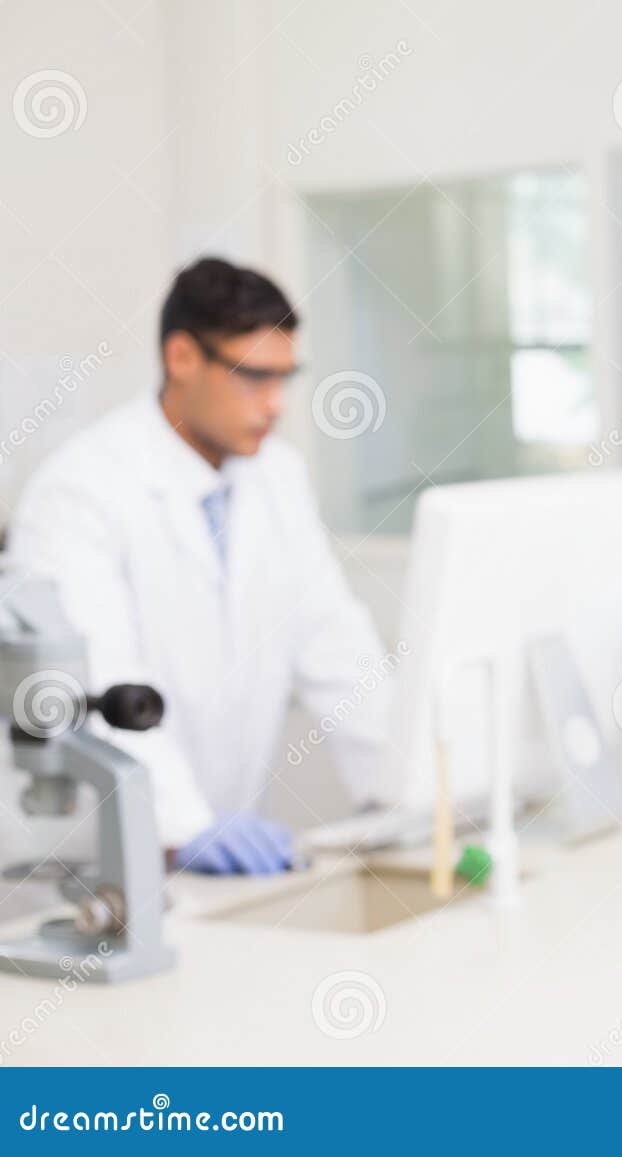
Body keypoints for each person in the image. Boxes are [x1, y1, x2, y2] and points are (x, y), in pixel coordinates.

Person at [7, 257, 391, 874]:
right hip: (88, 864)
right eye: (255, 378)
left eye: (284, 379)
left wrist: (404, 791)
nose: (275, 404)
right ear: (182, 357)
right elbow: (99, 683)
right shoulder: (81, 490)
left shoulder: (278, 477)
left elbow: (336, 648)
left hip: (216, 860)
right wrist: (182, 824)